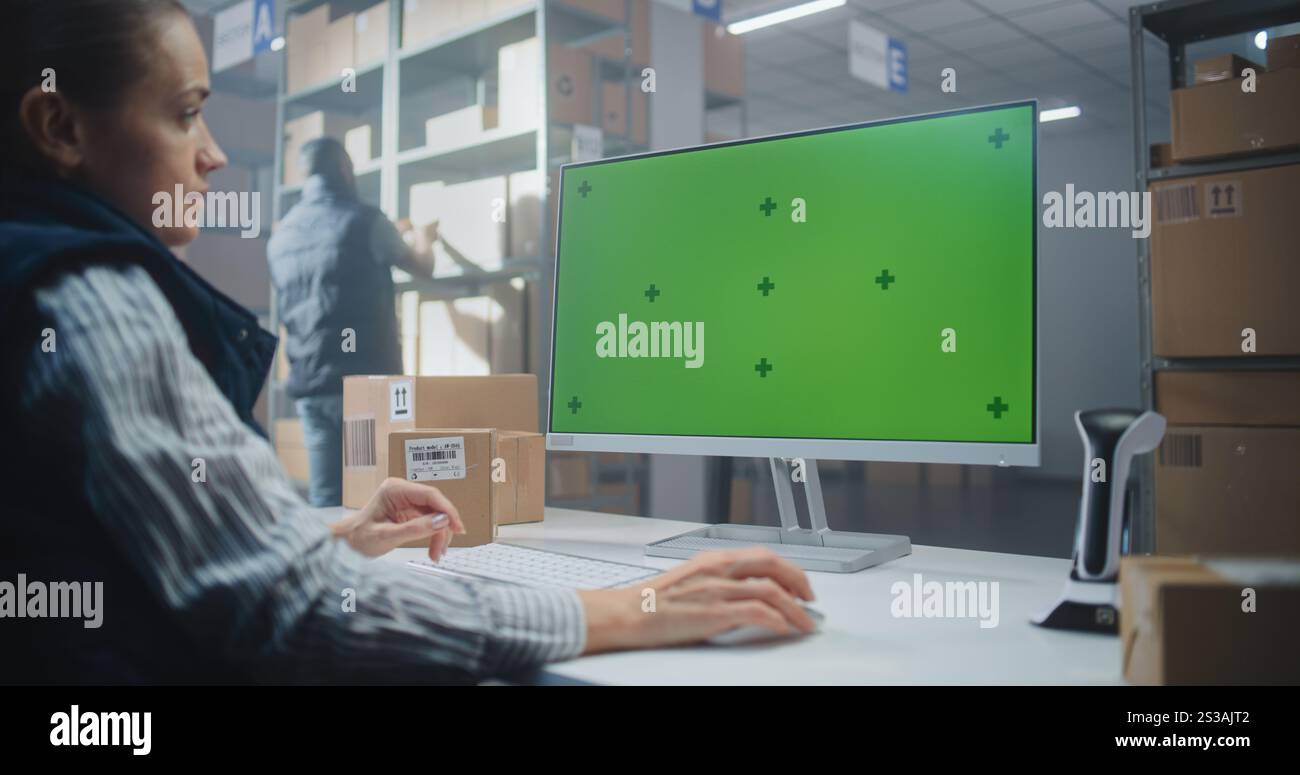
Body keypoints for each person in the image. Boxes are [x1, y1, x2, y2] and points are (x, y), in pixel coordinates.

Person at [0, 0, 816, 685]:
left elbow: (162, 543)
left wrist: (334, 538)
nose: (211, 153)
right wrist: (620, 608)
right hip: (369, 374)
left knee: (327, 481)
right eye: (185, 114)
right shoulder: (91, 297)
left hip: (316, 379)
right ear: (59, 127)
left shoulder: (274, 234)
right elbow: (291, 609)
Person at [267, 137, 435, 507]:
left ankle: (332, 565)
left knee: (328, 501)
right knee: (379, 497)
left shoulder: (282, 235)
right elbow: (423, 267)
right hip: (365, 390)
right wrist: (422, 237)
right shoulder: (366, 221)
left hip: (311, 385)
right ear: (345, 169)